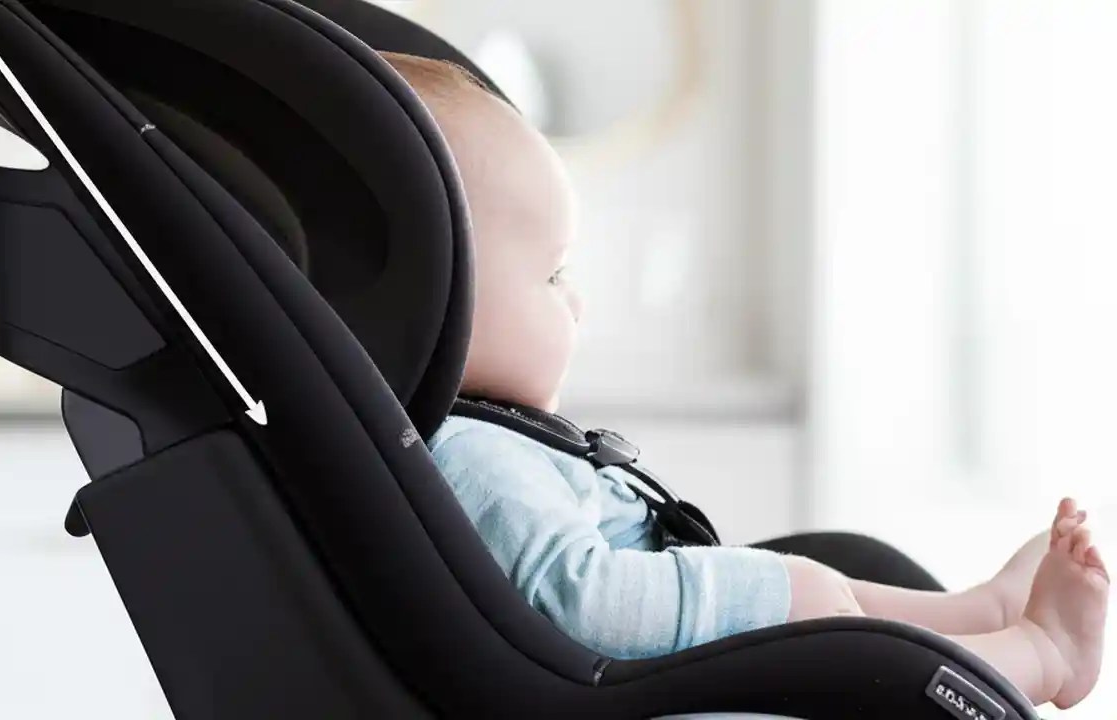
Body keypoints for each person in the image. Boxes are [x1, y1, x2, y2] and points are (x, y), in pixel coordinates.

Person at [380, 51, 1108, 709]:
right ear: (437, 294)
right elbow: (581, 603)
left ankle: (979, 616)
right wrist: (776, 593)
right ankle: (1035, 655)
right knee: (822, 601)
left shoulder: (481, 440)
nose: (577, 300)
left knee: (832, 587)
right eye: (554, 273)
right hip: (673, 691)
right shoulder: (473, 458)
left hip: (676, 655)